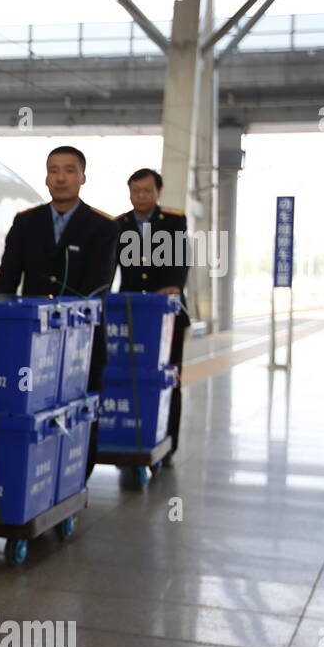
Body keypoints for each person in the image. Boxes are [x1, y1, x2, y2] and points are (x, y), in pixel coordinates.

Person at [0, 145, 118, 478]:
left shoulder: (103, 227)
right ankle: (35, 479)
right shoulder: (25, 222)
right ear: (46, 177)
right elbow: (7, 279)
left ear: (83, 177)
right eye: (53, 170)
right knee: (33, 414)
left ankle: (77, 479)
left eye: (69, 170)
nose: (60, 178)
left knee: (80, 412)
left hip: (82, 340)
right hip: (32, 342)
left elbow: (97, 287)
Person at [114, 167, 189, 465]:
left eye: (146, 190)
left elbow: (181, 259)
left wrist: (173, 287)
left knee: (169, 379)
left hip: (167, 316)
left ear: (158, 192)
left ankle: (168, 443)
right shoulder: (118, 224)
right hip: (132, 316)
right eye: (135, 191)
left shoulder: (173, 221)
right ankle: (133, 437)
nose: (141, 196)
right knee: (131, 379)